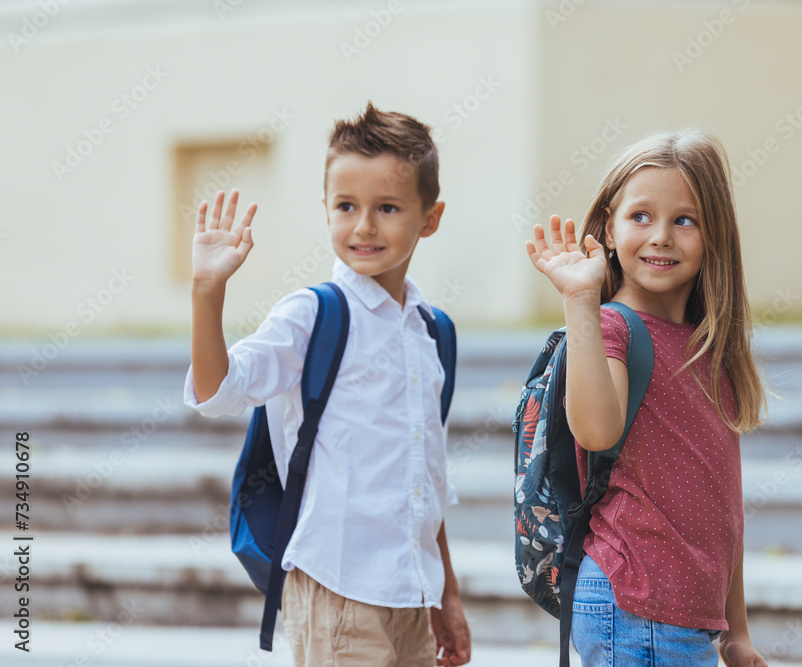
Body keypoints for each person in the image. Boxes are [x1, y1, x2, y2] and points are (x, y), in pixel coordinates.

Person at [183, 103, 471, 667]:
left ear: (429, 218)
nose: (363, 226)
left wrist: (447, 595)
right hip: (336, 588)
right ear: (326, 209)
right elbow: (219, 392)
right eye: (346, 206)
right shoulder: (312, 314)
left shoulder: (432, 331)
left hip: (412, 595)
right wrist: (206, 291)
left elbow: (425, 483)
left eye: (387, 207)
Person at [525, 129, 768, 667]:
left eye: (685, 220)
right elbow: (595, 429)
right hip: (635, 605)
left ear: (715, 236)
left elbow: (722, 509)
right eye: (641, 217)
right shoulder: (612, 327)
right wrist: (582, 302)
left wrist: (736, 630)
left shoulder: (708, 348)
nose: (660, 236)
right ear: (609, 229)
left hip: (684, 619)